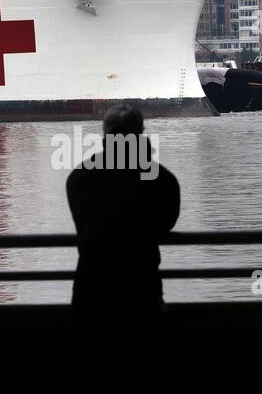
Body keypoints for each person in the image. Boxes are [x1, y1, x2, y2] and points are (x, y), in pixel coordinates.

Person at [66, 104, 179, 327]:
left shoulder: (79, 177)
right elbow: (165, 224)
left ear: (104, 137)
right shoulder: (162, 179)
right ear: (141, 134)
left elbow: (83, 221)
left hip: (90, 291)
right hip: (142, 289)